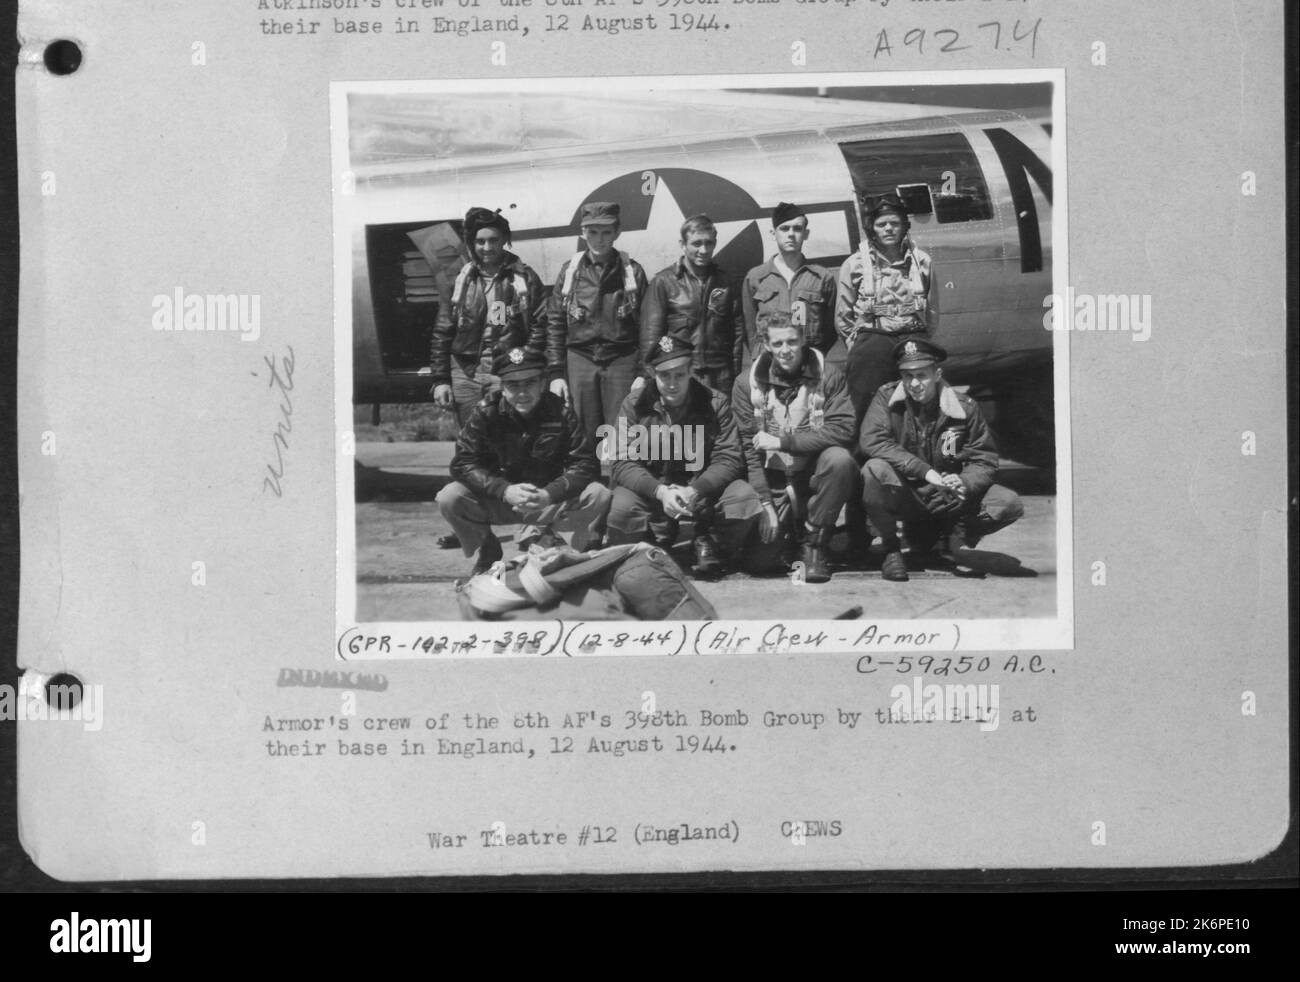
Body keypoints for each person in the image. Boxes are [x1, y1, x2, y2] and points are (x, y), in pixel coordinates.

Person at [428, 207, 548, 550]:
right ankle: (470, 524)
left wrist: (523, 367)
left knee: (517, 444)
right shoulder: (460, 279)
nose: (486, 247)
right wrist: (441, 378)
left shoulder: (523, 278)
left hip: (505, 374)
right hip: (465, 372)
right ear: (471, 243)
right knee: (469, 448)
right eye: (480, 241)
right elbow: (443, 329)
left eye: (493, 240)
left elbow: (540, 325)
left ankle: (527, 523)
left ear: (504, 240)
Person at [436, 347, 612, 576]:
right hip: (502, 500)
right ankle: (487, 547)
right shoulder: (486, 413)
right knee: (449, 497)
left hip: (546, 499)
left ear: (542, 383)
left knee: (599, 494)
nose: (522, 393)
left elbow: (584, 463)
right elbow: (462, 462)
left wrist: (549, 494)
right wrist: (503, 489)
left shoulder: (561, 412)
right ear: (502, 387)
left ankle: (553, 543)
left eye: (529, 383)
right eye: (513, 385)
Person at [859, 338, 1024, 583]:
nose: (914, 384)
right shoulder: (887, 398)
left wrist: (964, 482)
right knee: (874, 470)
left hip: (948, 496)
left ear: (937, 374)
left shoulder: (964, 407)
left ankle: (952, 538)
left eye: (921, 375)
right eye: (907, 376)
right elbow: (873, 440)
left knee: (1008, 503)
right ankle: (892, 550)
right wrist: (925, 472)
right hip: (908, 493)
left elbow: (984, 459)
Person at [605, 336, 761, 578]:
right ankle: (648, 545)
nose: (672, 384)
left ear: (691, 371)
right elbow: (622, 460)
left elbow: (729, 457)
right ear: (652, 374)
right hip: (653, 488)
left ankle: (710, 542)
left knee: (744, 498)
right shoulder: (634, 404)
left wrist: (695, 490)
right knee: (622, 507)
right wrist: (659, 491)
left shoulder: (715, 403)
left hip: (700, 491)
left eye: (679, 375)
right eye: (664, 376)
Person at [730, 312, 857, 583]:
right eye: (777, 344)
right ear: (766, 345)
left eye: (792, 341)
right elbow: (749, 450)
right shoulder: (746, 384)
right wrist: (765, 503)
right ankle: (789, 536)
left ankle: (814, 542)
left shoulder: (829, 376)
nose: (785, 350)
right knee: (759, 563)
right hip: (774, 478)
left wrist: (783, 441)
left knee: (840, 460)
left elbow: (843, 429)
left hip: (812, 476)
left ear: (803, 340)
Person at [545, 201, 649, 446]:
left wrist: (644, 372)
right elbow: (555, 323)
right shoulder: (570, 273)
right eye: (592, 232)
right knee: (581, 432)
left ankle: (620, 472)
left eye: (606, 232)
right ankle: (586, 472)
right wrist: (556, 372)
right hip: (580, 358)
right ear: (583, 232)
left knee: (622, 430)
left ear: (617, 232)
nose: (599, 239)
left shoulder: (632, 272)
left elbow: (647, 326)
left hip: (621, 358)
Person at [835, 192, 936, 427]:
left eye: (895, 223)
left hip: (912, 337)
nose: (889, 229)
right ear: (872, 228)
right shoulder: (854, 264)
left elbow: (932, 310)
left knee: (922, 403)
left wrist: (922, 338)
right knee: (864, 406)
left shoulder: (922, 262)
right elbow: (843, 315)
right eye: (882, 224)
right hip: (873, 340)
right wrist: (859, 344)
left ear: (904, 226)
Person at [640, 214, 745, 397]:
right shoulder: (664, 282)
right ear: (683, 244)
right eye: (696, 243)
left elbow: (737, 335)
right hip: (680, 374)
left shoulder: (726, 282)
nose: (703, 250)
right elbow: (651, 336)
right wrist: (649, 377)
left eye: (709, 243)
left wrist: (734, 374)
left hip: (720, 375)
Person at [740, 202, 837, 375]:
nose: (791, 234)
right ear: (773, 234)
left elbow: (830, 329)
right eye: (784, 228)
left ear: (806, 234)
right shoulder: (756, 278)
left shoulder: (822, 278)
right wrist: (761, 356)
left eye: (797, 229)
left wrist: (815, 354)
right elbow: (750, 330)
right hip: (770, 366)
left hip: (809, 366)